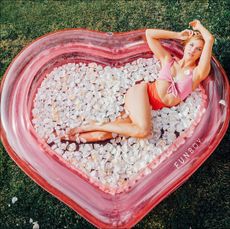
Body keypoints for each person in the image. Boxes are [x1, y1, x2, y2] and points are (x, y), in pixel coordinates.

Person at [61, 19, 214, 143]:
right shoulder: (168, 60)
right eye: (191, 45)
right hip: (141, 92)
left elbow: (210, 39)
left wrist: (200, 26)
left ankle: (67, 137)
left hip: (148, 107)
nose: (193, 50)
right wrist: (178, 35)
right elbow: (149, 34)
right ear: (186, 45)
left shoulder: (197, 73)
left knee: (103, 135)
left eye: (198, 49)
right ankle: (93, 124)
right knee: (143, 131)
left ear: (201, 54)